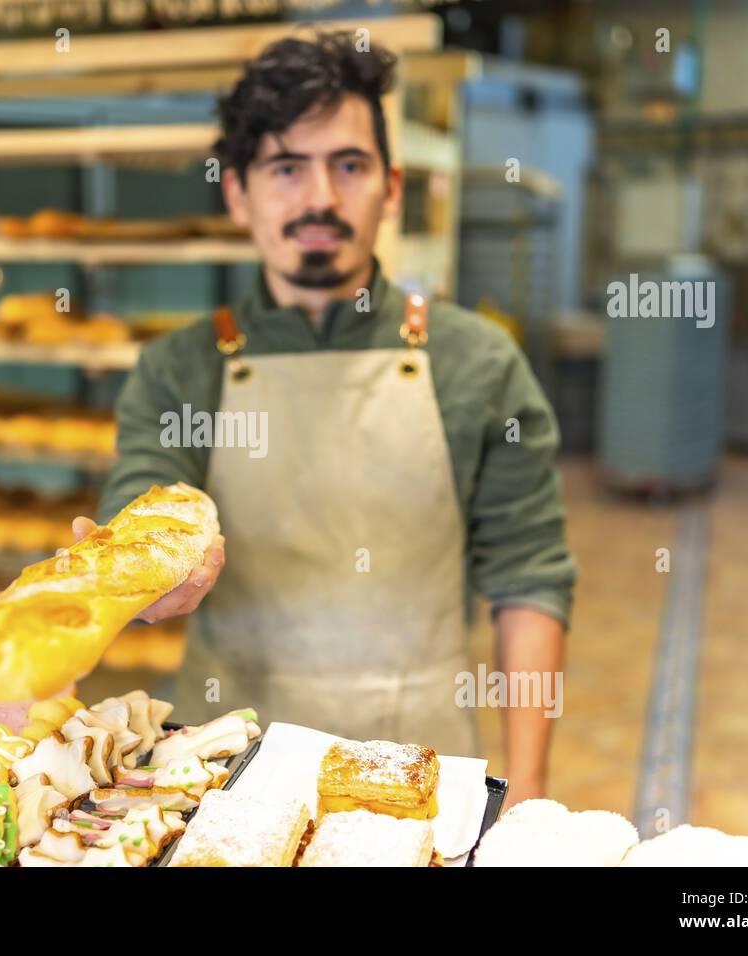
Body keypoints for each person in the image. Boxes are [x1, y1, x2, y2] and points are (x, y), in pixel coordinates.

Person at [73, 30, 575, 807]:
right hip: (219, 773)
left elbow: (530, 579)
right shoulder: (182, 368)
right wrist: (135, 579)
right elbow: (144, 511)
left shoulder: (476, 362)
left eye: (348, 165)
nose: (320, 199)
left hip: (422, 773)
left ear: (393, 186)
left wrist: (529, 797)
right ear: (237, 193)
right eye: (286, 167)